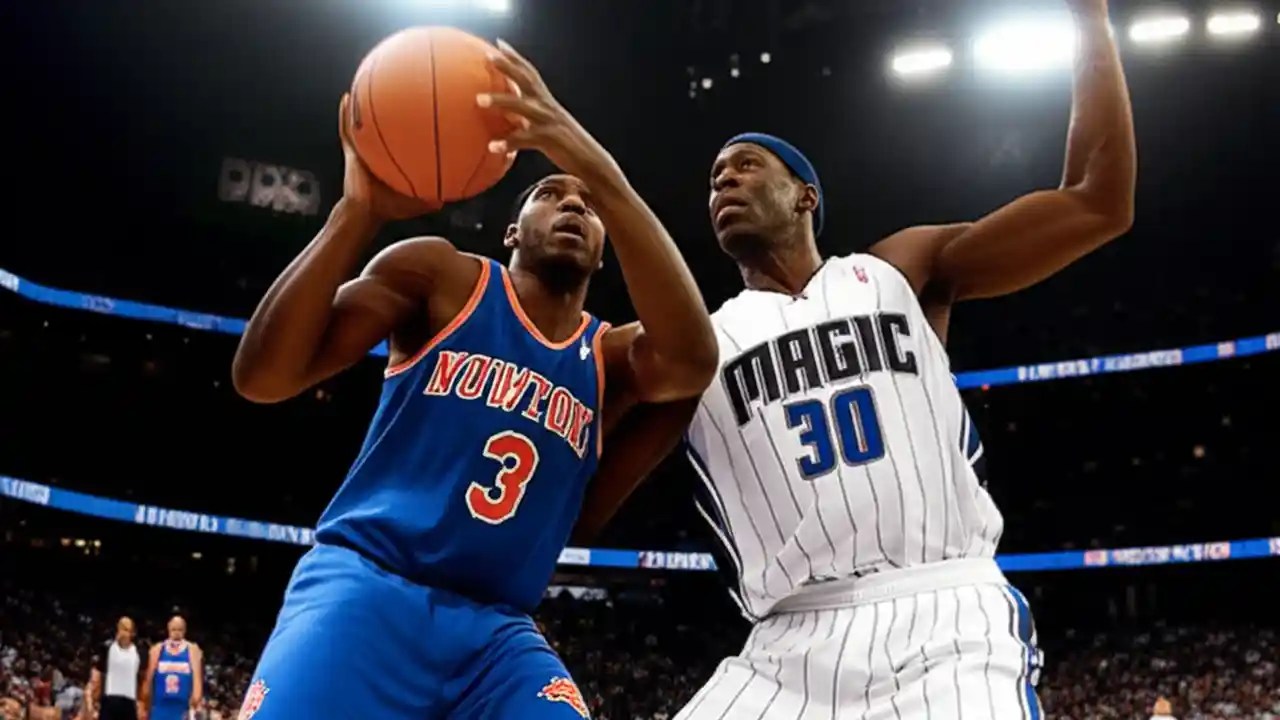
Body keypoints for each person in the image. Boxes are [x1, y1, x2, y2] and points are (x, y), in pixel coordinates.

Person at [575, 0, 1136, 717]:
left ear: (806, 195)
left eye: (746, 166)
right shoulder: (698, 348)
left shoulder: (901, 269)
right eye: (714, 177)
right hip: (783, 647)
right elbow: (582, 516)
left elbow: (1098, 202)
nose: (722, 182)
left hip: (944, 612)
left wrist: (1089, 18)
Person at [229, 40, 716, 719]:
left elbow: (695, 360)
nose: (574, 204)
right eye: (551, 193)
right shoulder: (442, 277)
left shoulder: (611, 358)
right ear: (512, 231)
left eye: (589, 205)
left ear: (608, 252)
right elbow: (263, 378)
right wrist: (357, 214)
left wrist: (589, 162)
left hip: (496, 633)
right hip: (367, 589)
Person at [140, 616, 201, 720]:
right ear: (168, 629)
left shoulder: (192, 650)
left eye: (180, 629)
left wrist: (196, 702)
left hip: (182, 709)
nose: (176, 632)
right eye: (174, 629)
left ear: (185, 630)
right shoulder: (157, 650)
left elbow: (197, 680)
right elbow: (148, 679)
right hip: (160, 708)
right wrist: (144, 705)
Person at [87, 618, 144, 720]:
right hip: (110, 699)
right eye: (122, 629)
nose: (124, 633)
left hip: (129, 701)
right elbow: (96, 673)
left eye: (127, 630)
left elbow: (141, 677)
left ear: (132, 633)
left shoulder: (138, 651)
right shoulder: (107, 648)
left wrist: (141, 702)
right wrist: (91, 698)